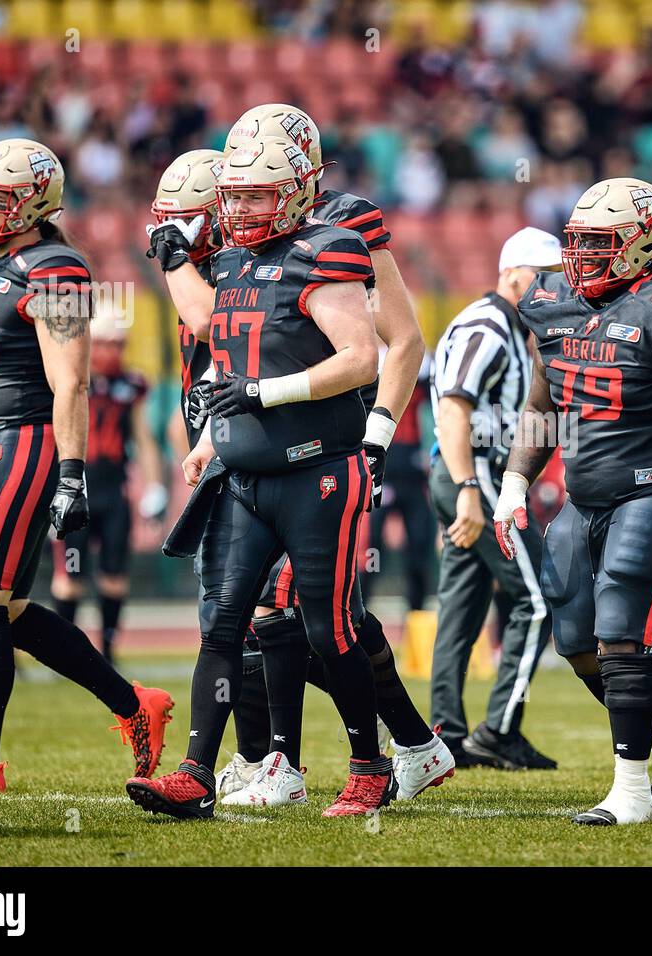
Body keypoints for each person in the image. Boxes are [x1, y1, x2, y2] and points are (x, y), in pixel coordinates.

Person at [127, 134, 435, 820]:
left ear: (296, 189)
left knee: (330, 630)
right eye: (231, 196)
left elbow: (363, 357)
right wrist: (210, 437)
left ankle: (368, 765)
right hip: (247, 472)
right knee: (223, 625)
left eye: (253, 194)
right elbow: (220, 342)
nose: (237, 209)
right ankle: (196, 773)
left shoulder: (328, 246)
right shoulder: (234, 260)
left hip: (318, 469)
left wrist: (270, 398)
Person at [0, 139, 174, 795]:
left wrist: (71, 474)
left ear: (38, 201)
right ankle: (135, 703)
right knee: (8, 607)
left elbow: (70, 382)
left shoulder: (57, 270)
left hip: (25, 442)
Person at [494, 178, 652, 825]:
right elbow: (543, 406)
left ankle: (632, 790)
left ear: (643, 243)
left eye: (599, 244)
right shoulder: (551, 302)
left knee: (622, 632)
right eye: (577, 243)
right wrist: (515, 481)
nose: (582, 257)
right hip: (583, 497)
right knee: (574, 641)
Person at [429, 227, 558, 770]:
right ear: (511, 274)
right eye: (543, 278)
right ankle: (498, 730)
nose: (553, 290)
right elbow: (454, 410)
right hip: (473, 471)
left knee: (461, 606)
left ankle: (446, 734)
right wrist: (466, 489)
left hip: (469, 472)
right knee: (540, 596)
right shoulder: (488, 324)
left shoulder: (508, 325)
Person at [49, 308, 167, 665]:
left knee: (114, 575)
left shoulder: (129, 385)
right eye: (105, 342)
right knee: (70, 577)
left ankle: (109, 650)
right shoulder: (68, 378)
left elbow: (144, 438)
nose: (112, 350)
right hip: (75, 491)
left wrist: (155, 486)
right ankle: (64, 653)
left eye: (118, 343)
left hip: (113, 493)